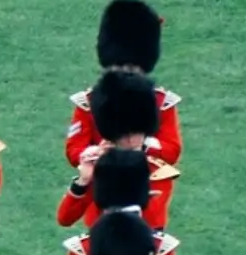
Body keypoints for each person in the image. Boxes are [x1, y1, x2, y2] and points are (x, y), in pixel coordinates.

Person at [66, 1, 182, 169]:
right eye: (120, 67)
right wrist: (97, 152)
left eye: (132, 68)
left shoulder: (162, 102)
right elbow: (74, 150)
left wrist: (142, 145)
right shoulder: (88, 102)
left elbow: (171, 151)